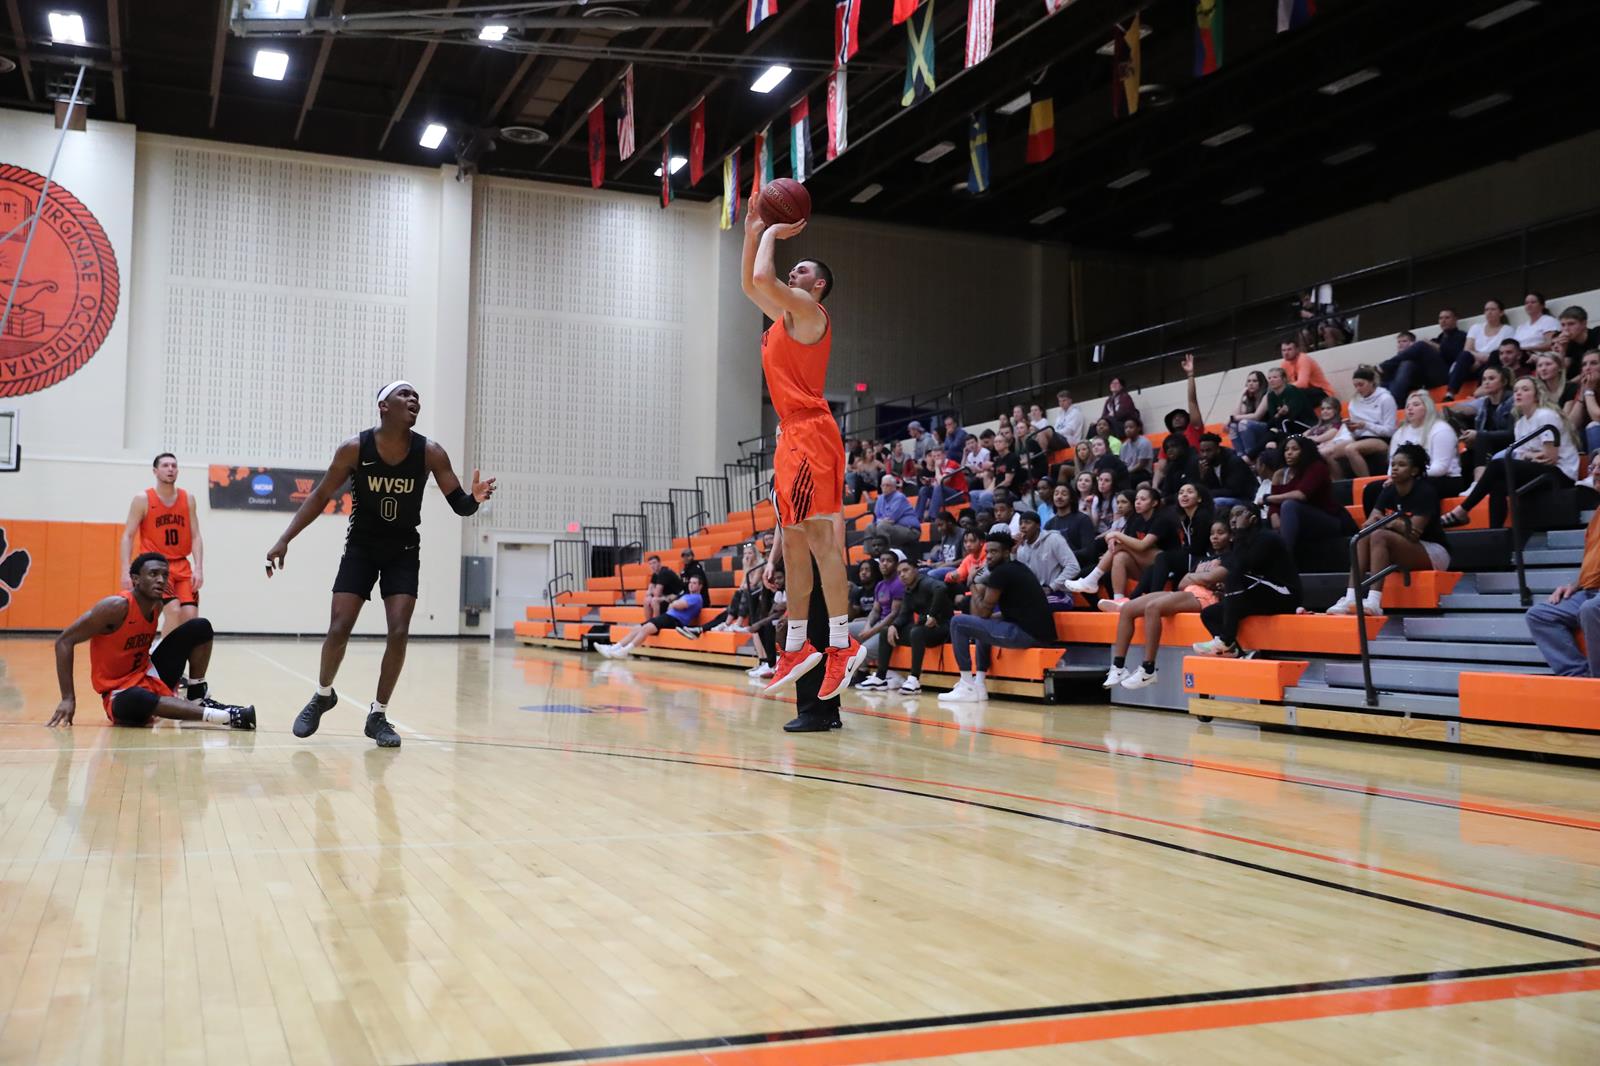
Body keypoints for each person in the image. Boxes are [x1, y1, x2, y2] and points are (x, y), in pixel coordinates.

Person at [266, 380, 496, 749]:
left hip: (403, 549)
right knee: (340, 626)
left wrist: (476, 498)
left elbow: (461, 506)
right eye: (404, 395)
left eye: (416, 397)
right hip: (362, 547)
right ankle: (323, 694)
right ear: (383, 407)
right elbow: (321, 494)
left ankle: (378, 715)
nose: (413, 400)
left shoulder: (430, 452)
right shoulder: (354, 449)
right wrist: (284, 538)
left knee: (400, 630)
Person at [741, 190, 863, 700]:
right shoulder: (781, 322)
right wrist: (751, 230)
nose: (794, 274)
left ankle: (842, 644)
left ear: (818, 286)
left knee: (819, 541)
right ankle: (797, 645)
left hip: (812, 432)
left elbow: (765, 278)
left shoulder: (811, 313)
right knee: (792, 544)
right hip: (789, 437)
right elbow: (752, 284)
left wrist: (772, 232)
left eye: (803, 270)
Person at [47, 552, 254, 730]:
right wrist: (68, 698)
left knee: (200, 626)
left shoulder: (157, 604)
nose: (161, 580)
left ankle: (196, 697)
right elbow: (64, 641)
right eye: (153, 574)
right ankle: (223, 717)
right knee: (138, 697)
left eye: (165, 575)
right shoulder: (115, 607)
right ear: (136, 579)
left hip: (148, 676)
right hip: (119, 693)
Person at [1103, 520, 1232, 690]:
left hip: (1206, 598)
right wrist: (1200, 579)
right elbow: (1183, 582)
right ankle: (1118, 666)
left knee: (1153, 607)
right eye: (1212, 533)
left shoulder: (1232, 557)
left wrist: (1197, 578)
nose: (1215, 537)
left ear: (1231, 536)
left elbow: (1209, 580)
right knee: (1128, 608)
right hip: (1188, 591)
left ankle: (1148, 669)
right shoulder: (1204, 559)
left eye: (1220, 532)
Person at [1328, 444, 1451, 617]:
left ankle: (1374, 601)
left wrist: (1388, 523)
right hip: (1404, 544)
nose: (1395, 468)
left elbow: (1414, 533)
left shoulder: (1425, 491)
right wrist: (1393, 523)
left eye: (1401, 465)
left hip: (1433, 550)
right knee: (1363, 536)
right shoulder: (1388, 491)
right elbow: (1368, 525)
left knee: (1379, 535)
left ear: (1414, 471)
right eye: (1393, 464)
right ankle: (1350, 597)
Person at [1443, 376, 1579, 529]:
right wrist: (1531, 456)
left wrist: (1528, 456)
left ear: (1537, 395)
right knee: (1498, 483)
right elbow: (1522, 456)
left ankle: (1462, 511)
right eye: (1516, 390)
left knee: (1498, 465)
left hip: (1561, 474)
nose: (1518, 393)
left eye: (1525, 389)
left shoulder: (1545, 415)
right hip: (1539, 470)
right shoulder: (1520, 423)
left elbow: (1550, 458)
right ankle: (1496, 533)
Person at [941, 531, 1057, 704]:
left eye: (994, 552)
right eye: (987, 552)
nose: (988, 556)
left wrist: (972, 583)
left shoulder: (1001, 573)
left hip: (1027, 634)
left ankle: (967, 685)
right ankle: (979, 684)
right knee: (982, 625)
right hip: (1039, 633)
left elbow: (981, 612)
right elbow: (1010, 611)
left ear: (1006, 553)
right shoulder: (1018, 568)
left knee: (958, 623)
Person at [1193, 505, 1302, 658]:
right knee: (1210, 614)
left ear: (1252, 518)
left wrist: (1240, 533)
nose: (1233, 519)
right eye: (1231, 515)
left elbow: (1242, 566)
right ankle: (1238, 653)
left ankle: (1226, 639)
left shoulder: (1267, 538)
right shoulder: (1242, 541)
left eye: (1238, 514)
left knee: (1233, 576)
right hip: (1262, 594)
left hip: (1284, 594)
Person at [120, 452, 204, 635]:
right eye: (165, 465)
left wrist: (198, 568)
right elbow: (127, 535)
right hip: (156, 567)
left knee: (190, 616)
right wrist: (126, 571)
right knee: (173, 610)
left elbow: (196, 536)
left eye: (174, 466)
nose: (170, 469)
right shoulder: (143, 499)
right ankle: (162, 655)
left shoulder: (188, 498)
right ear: (155, 471)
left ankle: (165, 650)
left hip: (182, 564)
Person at [1524, 506, 1600, 677]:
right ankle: (1579, 677)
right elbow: (1593, 562)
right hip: (1590, 589)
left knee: (1590, 609)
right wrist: (1576, 584)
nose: (1595, 478)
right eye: (1594, 477)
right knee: (1539, 614)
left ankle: (1597, 683)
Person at [1063, 485, 1162, 604]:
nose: (1138, 502)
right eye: (1136, 499)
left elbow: (1142, 546)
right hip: (1143, 563)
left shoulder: (1161, 519)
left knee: (1119, 547)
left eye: (1143, 499)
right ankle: (1118, 599)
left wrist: (1116, 535)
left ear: (1154, 503)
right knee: (1119, 556)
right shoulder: (1137, 520)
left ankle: (1092, 579)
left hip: (1163, 563)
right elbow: (1129, 544)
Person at [878, 559, 954, 694]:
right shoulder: (908, 591)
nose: (902, 574)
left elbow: (941, 588)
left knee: (916, 632)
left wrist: (932, 615)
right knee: (885, 632)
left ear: (916, 570)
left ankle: (914, 679)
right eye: (899, 572)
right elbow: (903, 614)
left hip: (944, 628)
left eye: (905, 570)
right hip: (926, 629)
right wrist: (894, 626)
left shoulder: (925, 582)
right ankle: (880, 677)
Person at [1266, 436, 1346, 559]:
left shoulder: (1317, 467)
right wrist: (1274, 515)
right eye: (1286, 449)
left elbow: (1300, 495)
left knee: (1289, 505)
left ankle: (1284, 559)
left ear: (1305, 451)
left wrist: (1268, 498)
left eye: (1295, 449)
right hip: (1297, 521)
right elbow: (1274, 503)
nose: (1289, 453)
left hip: (1328, 520)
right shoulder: (1280, 474)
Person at [597, 575, 706, 657]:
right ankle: (613, 648)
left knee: (646, 628)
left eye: (694, 583)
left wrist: (673, 604)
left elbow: (679, 605)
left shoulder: (697, 598)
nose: (691, 584)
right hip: (668, 617)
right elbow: (674, 605)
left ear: (700, 585)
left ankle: (624, 651)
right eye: (690, 582)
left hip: (675, 620)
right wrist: (673, 604)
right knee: (636, 628)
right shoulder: (687, 595)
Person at [1381, 308, 1465, 405]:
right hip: (1427, 378)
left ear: (1455, 319)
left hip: (1447, 375)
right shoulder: (1437, 339)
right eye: (1441, 318)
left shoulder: (1461, 336)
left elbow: (1456, 357)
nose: (1443, 321)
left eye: (1447, 317)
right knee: (1407, 364)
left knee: (1421, 345)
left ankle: (1384, 366)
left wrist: (1431, 345)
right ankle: (1394, 404)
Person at [848, 549, 906, 687]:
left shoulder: (898, 584)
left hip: (891, 627)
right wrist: (868, 625)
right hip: (879, 623)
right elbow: (875, 610)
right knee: (844, 630)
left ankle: (862, 673)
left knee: (862, 651)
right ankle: (854, 670)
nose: (884, 564)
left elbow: (893, 615)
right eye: (882, 561)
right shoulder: (880, 585)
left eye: (889, 561)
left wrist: (871, 631)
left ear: (896, 565)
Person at [1457, 364, 1516, 487]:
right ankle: (1465, 492)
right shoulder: (1484, 404)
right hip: (1489, 446)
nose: (1486, 382)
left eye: (1491, 378)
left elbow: (1512, 433)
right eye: (1484, 379)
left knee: (1482, 438)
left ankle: (1478, 484)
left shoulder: (1513, 401)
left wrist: (1479, 435)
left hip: (1510, 445)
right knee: (1465, 457)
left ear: (1504, 381)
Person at [1446, 298, 1513, 400]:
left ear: (1501, 312)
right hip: (1472, 366)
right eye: (1486, 310)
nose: (1489, 312)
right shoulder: (1476, 328)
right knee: (1464, 355)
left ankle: (1480, 392)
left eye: (1493, 309)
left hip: (1490, 367)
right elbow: (1467, 349)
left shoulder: (1508, 330)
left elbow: (1503, 353)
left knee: (1495, 355)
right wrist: (1480, 358)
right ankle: (1450, 394)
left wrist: (1480, 358)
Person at [1389, 390, 1461, 483]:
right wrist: (1396, 476)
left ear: (1428, 408)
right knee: (1373, 489)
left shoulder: (1441, 429)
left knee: (1414, 487)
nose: (1410, 408)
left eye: (1416, 405)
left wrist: (1408, 474)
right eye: (1407, 406)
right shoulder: (1400, 432)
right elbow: (1392, 463)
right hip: (1409, 476)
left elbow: (1440, 467)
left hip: (1446, 478)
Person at [1340, 364, 1397, 477]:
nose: (1358, 389)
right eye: (1355, 386)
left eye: (1361, 385)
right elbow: (1358, 433)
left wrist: (1366, 425)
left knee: (1351, 449)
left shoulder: (1385, 398)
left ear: (1372, 382)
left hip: (1382, 438)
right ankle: (1341, 487)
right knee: (1328, 452)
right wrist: (1352, 429)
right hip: (1362, 437)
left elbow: (1390, 430)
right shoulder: (1354, 402)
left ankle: (1366, 483)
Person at [1015, 510, 1079, 598]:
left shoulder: (1054, 539)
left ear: (1038, 525)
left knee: (1030, 607)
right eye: (1020, 523)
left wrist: (1052, 587)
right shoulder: (1021, 548)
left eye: (1027, 522)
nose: (1022, 526)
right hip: (1035, 594)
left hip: (1059, 593)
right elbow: (1018, 575)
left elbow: (1073, 567)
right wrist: (1013, 552)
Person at [1196, 433, 1258, 512]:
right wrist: (1202, 476)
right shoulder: (1206, 465)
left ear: (1218, 449)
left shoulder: (1234, 461)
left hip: (1246, 499)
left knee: (1216, 503)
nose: (1204, 454)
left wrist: (1207, 494)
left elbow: (1233, 491)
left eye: (1208, 451)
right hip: (1224, 498)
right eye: (1202, 451)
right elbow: (1206, 488)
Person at [1263, 366, 1317, 442]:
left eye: (1275, 377)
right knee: (1271, 431)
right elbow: (1272, 419)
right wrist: (1279, 414)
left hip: (1305, 424)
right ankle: (1249, 454)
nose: (1271, 380)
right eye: (1269, 378)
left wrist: (1282, 414)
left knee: (1284, 421)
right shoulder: (1271, 396)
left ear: (1284, 379)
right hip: (1286, 424)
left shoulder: (1292, 391)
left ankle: (1286, 444)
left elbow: (1294, 415)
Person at [869, 474, 922, 550]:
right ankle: (872, 554)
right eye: (883, 485)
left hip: (909, 529)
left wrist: (880, 520)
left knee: (882, 526)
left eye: (888, 485)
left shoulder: (899, 497)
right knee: (870, 527)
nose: (884, 488)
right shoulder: (880, 499)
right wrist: (880, 520)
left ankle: (885, 553)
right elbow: (876, 518)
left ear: (894, 487)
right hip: (893, 527)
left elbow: (891, 518)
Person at [1229, 370, 1273, 459]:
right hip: (1252, 429)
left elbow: (1257, 416)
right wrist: (1241, 396)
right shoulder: (1249, 399)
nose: (1251, 384)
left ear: (1261, 383)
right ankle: (1240, 456)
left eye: (1254, 381)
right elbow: (1234, 416)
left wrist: (1235, 418)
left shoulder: (1267, 395)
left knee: (1243, 423)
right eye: (1248, 381)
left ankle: (1250, 456)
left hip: (1267, 429)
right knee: (1233, 426)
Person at [1563, 348, 1600, 453]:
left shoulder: (1588, 389)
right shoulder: (1583, 387)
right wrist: (1583, 395)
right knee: (1571, 435)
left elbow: (1597, 418)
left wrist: (1588, 392)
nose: (1587, 368)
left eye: (1593, 363)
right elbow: (1572, 425)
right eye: (1584, 364)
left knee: (1594, 426)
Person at [641, 554, 684, 623]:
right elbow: (648, 592)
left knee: (655, 600)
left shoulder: (664, 572)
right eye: (650, 564)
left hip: (678, 595)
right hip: (666, 595)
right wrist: (651, 593)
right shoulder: (655, 574)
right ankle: (648, 622)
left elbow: (657, 594)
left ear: (659, 563)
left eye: (654, 563)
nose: (652, 565)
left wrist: (652, 591)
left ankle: (657, 623)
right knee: (647, 600)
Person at [920, 512, 964, 579]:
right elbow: (944, 560)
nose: (939, 529)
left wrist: (947, 564)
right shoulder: (945, 536)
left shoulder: (963, 534)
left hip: (958, 568)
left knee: (931, 574)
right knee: (919, 573)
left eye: (941, 525)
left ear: (949, 523)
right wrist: (931, 564)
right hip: (946, 566)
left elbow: (966, 559)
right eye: (937, 526)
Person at [1555, 307, 1596, 378]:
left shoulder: (1597, 334)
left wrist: (1573, 383)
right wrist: (1562, 350)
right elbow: (1561, 372)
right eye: (1563, 325)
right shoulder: (1568, 343)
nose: (1566, 329)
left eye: (1571, 324)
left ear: (1584, 323)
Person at [1120, 418, 1156, 484]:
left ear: (1138, 428)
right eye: (1126, 428)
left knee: (1127, 479)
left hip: (1143, 472)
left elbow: (1141, 465)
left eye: (1131, 427)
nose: (1128, 430)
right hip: (1129, 472)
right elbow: (1123, 463)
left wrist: (1126, 473)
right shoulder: (1124, 445)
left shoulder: (1144, 442)